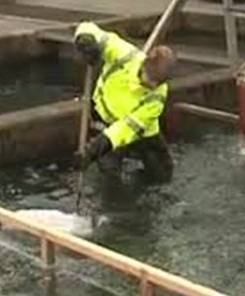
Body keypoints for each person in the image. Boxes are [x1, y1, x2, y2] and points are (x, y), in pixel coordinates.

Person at [72, 21, 177, 183]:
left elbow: (128, 128)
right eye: (149, 81)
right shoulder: (125, 55)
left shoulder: (158, 96)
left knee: (163, 174)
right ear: (144, 65)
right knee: (110, 179)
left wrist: (95, 148)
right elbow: (90, 29)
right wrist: (87, 42)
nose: (152, 87)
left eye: (158, 84)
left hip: (142, 132)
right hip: (106, 119)